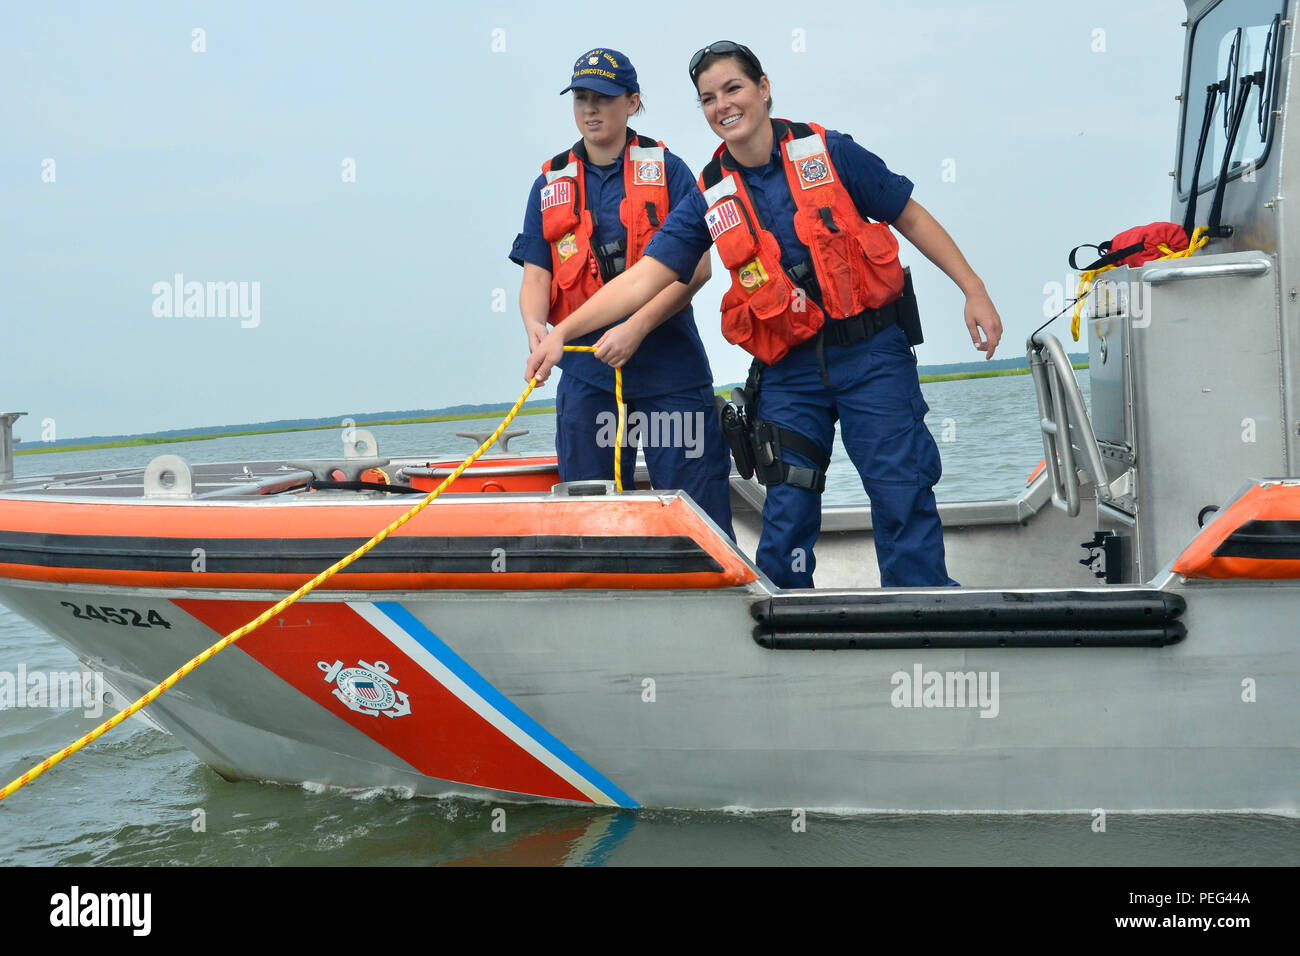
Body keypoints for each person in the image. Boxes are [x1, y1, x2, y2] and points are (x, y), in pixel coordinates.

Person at [528, 41, 1003, 588]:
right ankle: (782, 615)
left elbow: (911, 217)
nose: (722, 106)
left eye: (733, 89)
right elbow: (646, 277)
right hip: (789, 370)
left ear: (763, 89)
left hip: (872, 354)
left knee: (900, 488)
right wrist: (561, 331)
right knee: (787, 508)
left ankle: (921, 604)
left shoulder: (832, 152)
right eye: (708, 98)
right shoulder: (709, 194)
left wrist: (973, 289)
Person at [509, 46, 734, 538]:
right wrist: (535, 329)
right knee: (590, 514)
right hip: (587, 378)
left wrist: (635, 328)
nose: (590, 109)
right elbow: (535, 276)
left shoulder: (671, 171)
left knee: (698, 510)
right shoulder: (548, 182)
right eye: (581, 98)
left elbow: (697, 271)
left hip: (669, 373)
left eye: (604, 98)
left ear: (632, 103)